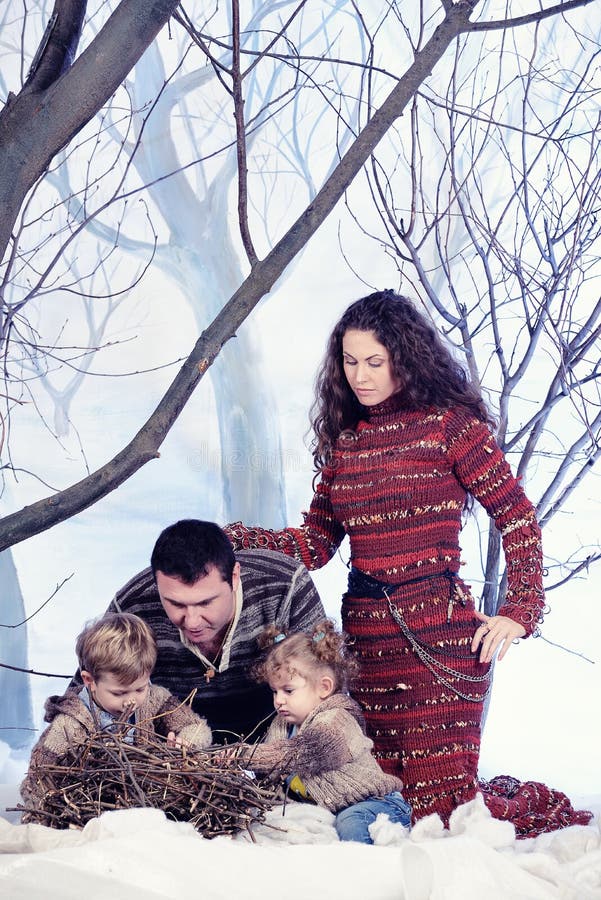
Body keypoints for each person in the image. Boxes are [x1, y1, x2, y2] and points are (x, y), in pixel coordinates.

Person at [224, 289, 592, 835]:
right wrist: (234, 537)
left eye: (375, 362)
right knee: (381, 803)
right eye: (349, 362)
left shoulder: (452, 428)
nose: (359, 376)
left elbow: (518, 518)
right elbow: (315, 545)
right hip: (368, 646)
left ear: (406, 357)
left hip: (439, 644)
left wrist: (520, 611)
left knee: (440, 817)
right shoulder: (347, 444)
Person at [100, 519, 326, 743]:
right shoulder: (130, 606)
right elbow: (91, 694)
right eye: (176, 604)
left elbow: (326, 694)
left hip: (279, 741)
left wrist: (279, 751)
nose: (192, 622)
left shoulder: (286, 586)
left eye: (205, 603)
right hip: (174, 749)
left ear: (234, 577)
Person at [226, 618, 411, 844]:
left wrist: (246, 755)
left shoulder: (337, 722)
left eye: (288, 690)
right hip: (330, 811)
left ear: (324, 687)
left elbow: (302, 752)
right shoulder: (281, 726)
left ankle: (367, 864)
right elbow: (272, 777)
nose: (278, 700)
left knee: (351, 823)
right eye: (274, 691)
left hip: (375, 804)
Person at [20, 612, 212, 820]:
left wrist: (185, 744)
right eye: (119, 693)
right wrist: (52, 813)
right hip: (93, 812)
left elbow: (196, 726)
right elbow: (37, 779)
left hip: (150, 806)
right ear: (89, 681)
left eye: (140, 689)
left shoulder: (155, 699)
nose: (131, 701)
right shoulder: (71, 724)